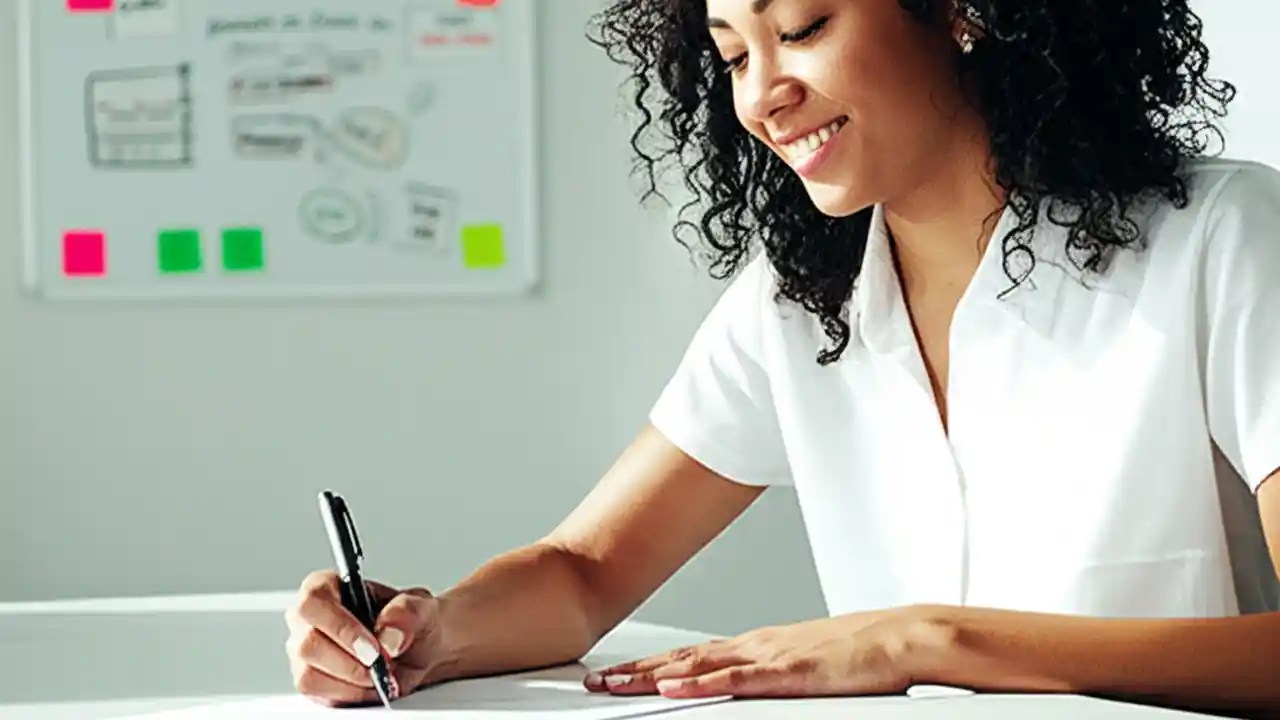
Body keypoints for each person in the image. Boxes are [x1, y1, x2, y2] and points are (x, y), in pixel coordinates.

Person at [284, 0, 1280, 715]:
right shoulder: (796, 297)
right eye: (730, 54)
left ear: (962, 14)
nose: (762, 98)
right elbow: (585, 573)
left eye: (801, 30)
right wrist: (425, 635)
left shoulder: (1223, 239)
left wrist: (922, 643)